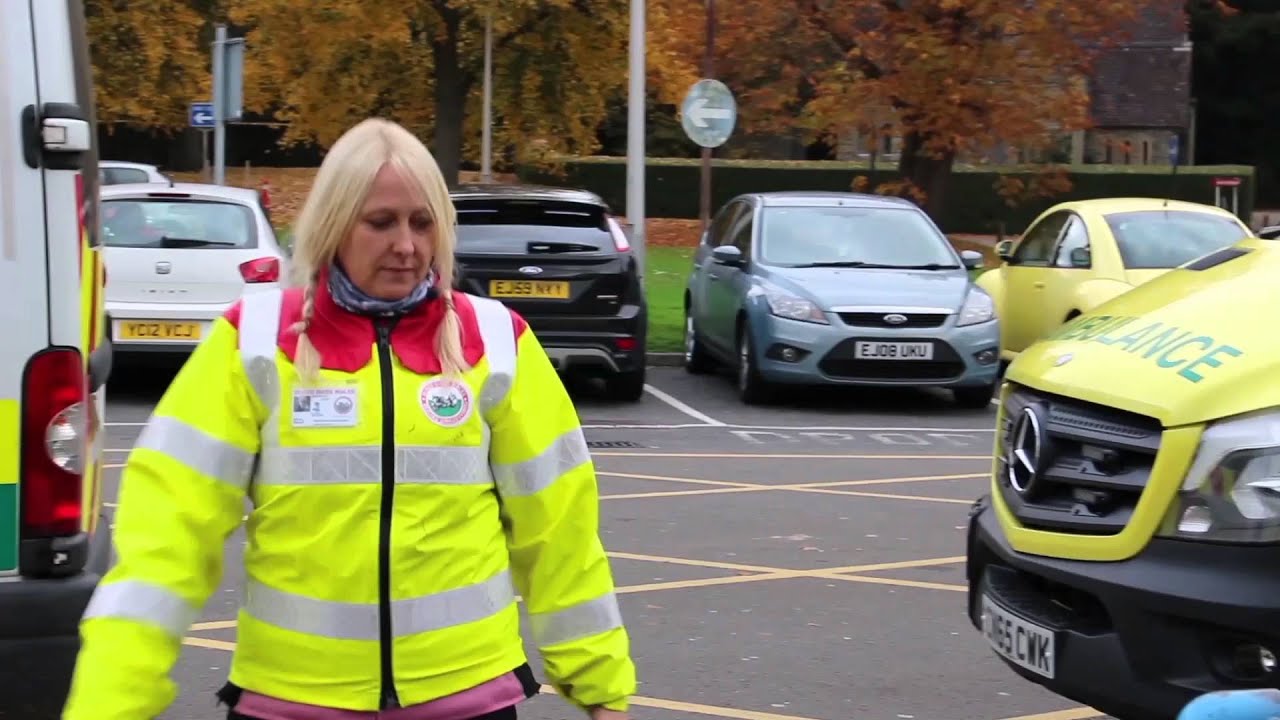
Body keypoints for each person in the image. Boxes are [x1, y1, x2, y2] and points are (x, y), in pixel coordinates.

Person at [61, 118, 637, 720]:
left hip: (468, 697)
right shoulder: (253, 343)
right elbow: (165, 541)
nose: (408, 246)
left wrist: (601, 686)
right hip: (290, 700)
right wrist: (109, 700)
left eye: (423, 222)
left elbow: (561, 532)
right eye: (381, 222)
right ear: (335, 226)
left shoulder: (497, 342)